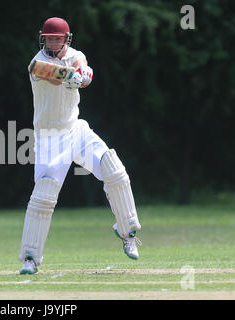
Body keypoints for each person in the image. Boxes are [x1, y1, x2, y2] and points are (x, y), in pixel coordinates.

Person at [19, 17, 142, 274]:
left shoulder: (75, 54)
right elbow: (51, 75)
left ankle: (127, 231)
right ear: (43, 38)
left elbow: (81, 63)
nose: (53, 42)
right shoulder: (36, 64)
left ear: (66, 39)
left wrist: (84, 71)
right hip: (49, 138)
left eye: (58, 38)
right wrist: (72, 75)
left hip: (75, 130)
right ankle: (31, 258)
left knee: (113, 168)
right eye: (49, 38)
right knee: (44, 195)